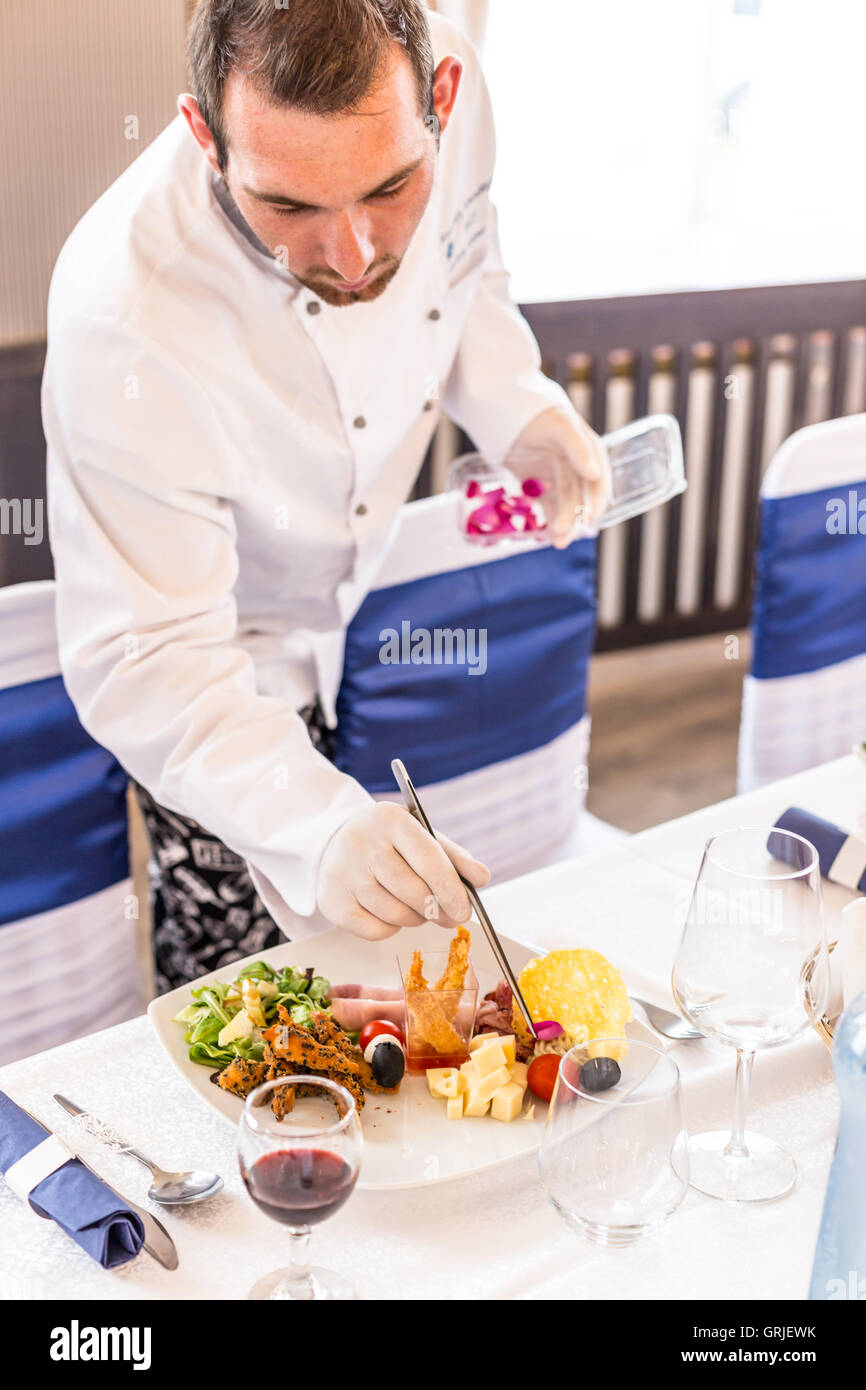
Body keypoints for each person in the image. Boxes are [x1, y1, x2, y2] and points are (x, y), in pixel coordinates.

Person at [44, 0, 609, 991]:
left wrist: (519, 405)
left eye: (390, 188)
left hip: (376, 604)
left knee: (423, 983)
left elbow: (465, 264)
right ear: (203, 138)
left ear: (440, 98)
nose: (351, 256)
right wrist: (318, 823)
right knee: (248, 1006)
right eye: (289, 208)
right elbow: (152, 655)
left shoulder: (458, 88)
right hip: (221, 680)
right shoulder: (123, 316)